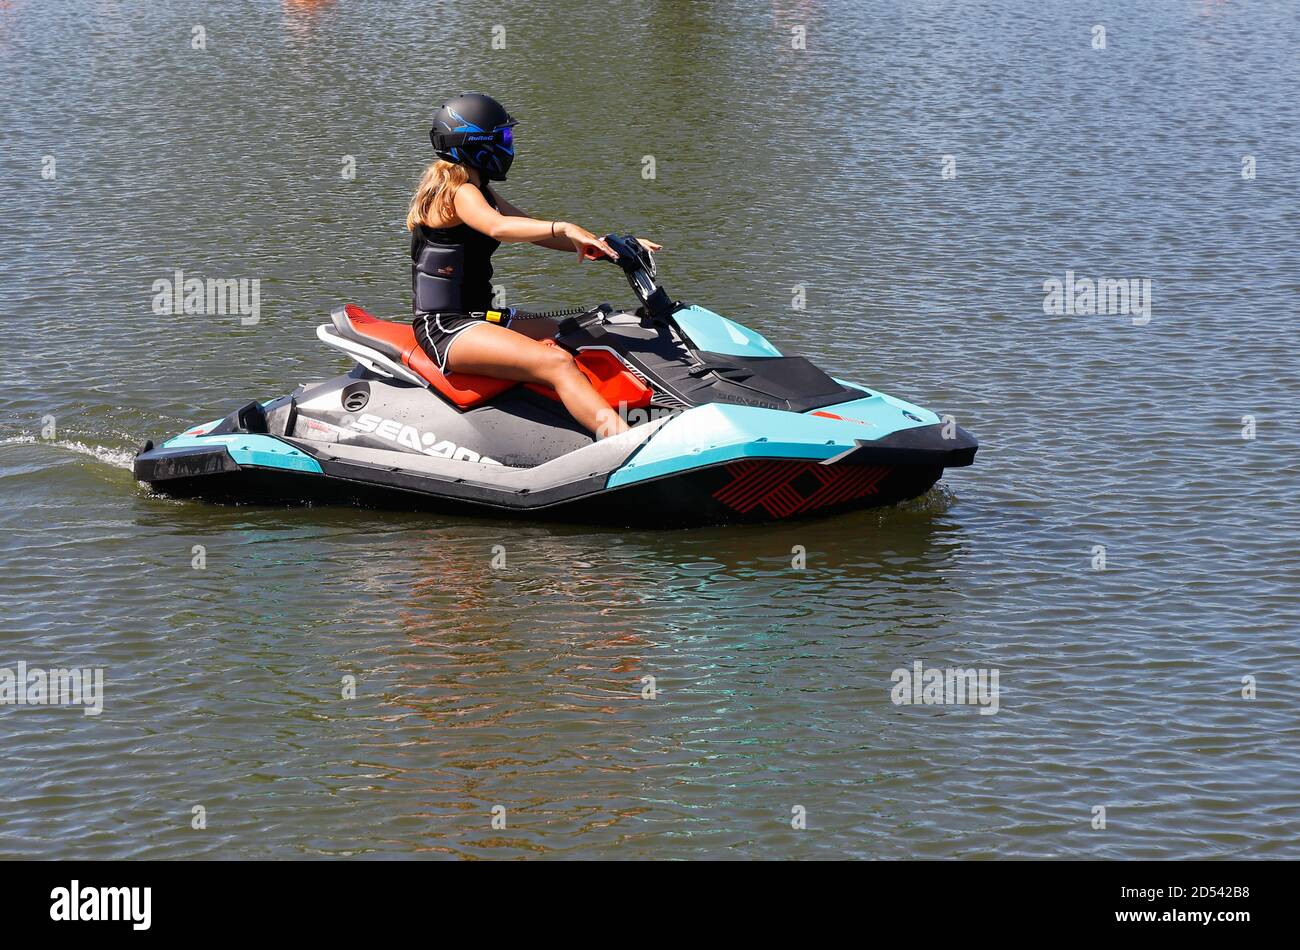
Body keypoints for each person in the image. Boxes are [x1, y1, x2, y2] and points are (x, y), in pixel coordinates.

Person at [407, 92, 660, 437]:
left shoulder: (481, 189)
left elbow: (535, 233)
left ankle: (613, 416)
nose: (510, 144)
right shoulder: (458, 192)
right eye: (504, 137)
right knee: (556, 362)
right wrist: (565, 226)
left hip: (483, 315)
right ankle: (625, 444)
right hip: (448, 328)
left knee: (575, 336)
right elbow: (498, 228)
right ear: (476, 142)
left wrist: (606, 246)